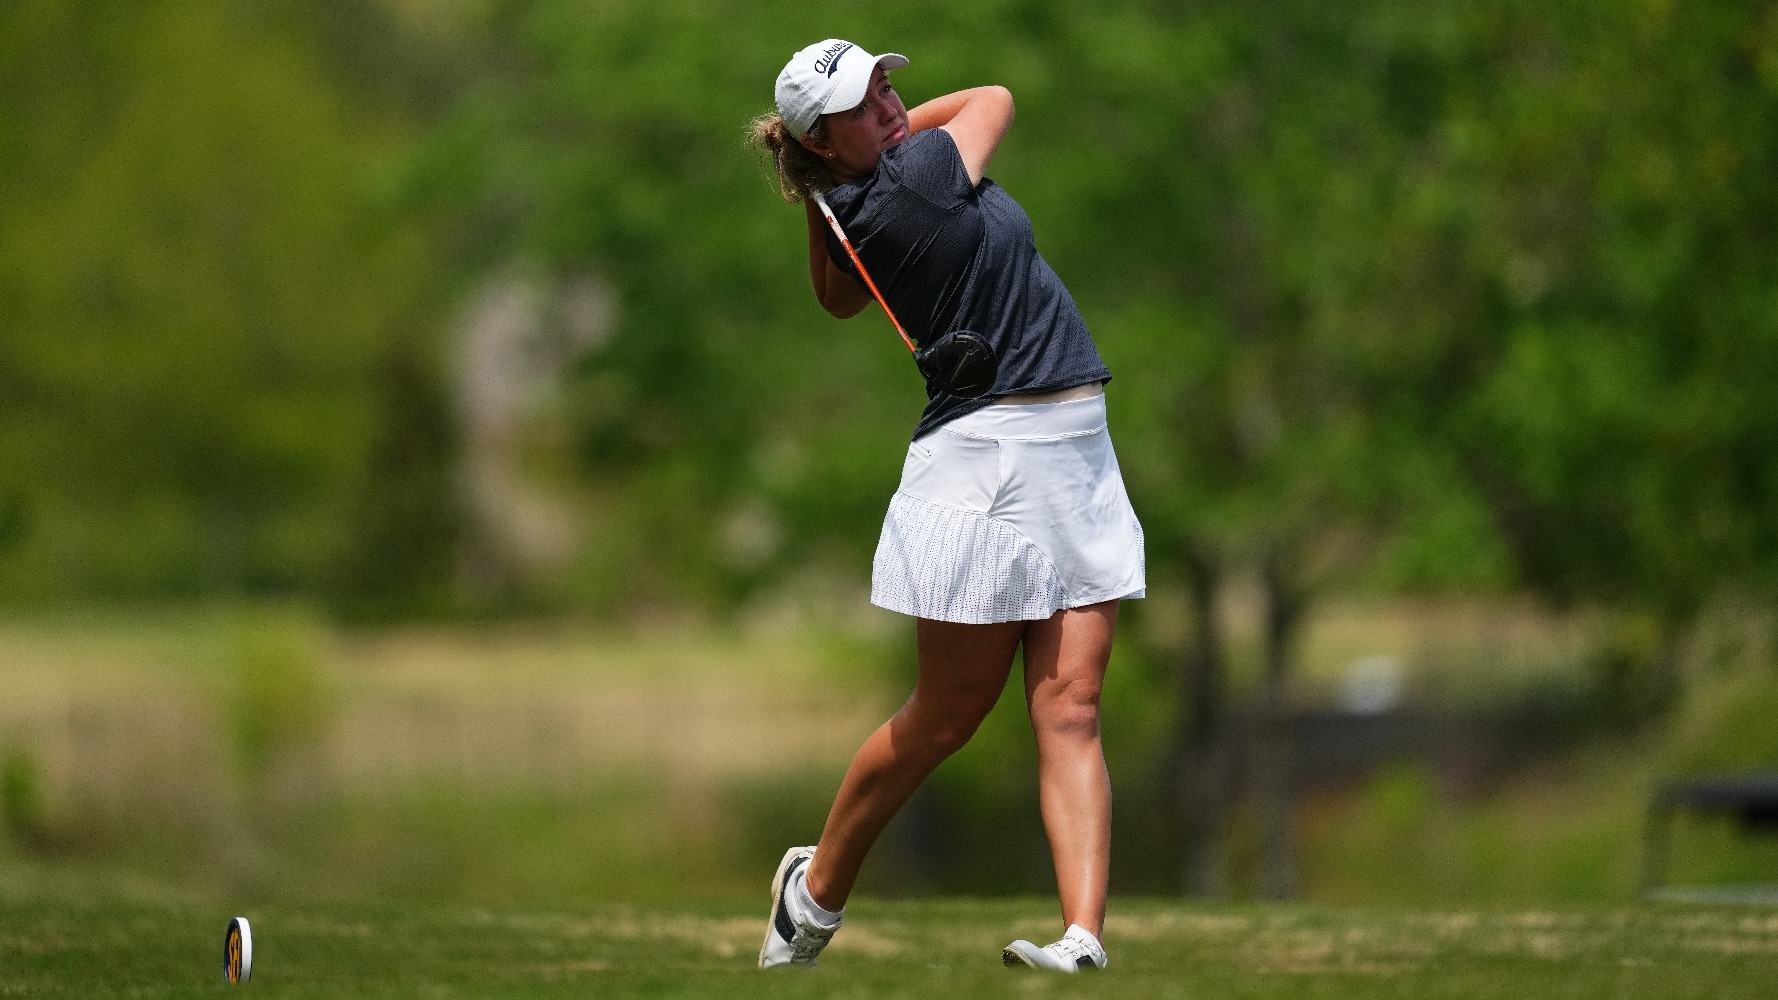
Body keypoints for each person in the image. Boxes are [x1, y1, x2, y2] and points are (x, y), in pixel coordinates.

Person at [748, 38, 1145, 973]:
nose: (892, 103)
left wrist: (821, 180)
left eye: (888, 84)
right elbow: (996, 95)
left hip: (1073, 445)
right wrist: (866, 156)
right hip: (991, 464)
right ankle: (810, 898)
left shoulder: (854, 201)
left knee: (1074, 708)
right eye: (864, 100)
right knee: (945, 717)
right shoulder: (917, 176)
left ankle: (1083, 942)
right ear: (820, 136)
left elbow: (835, 300)